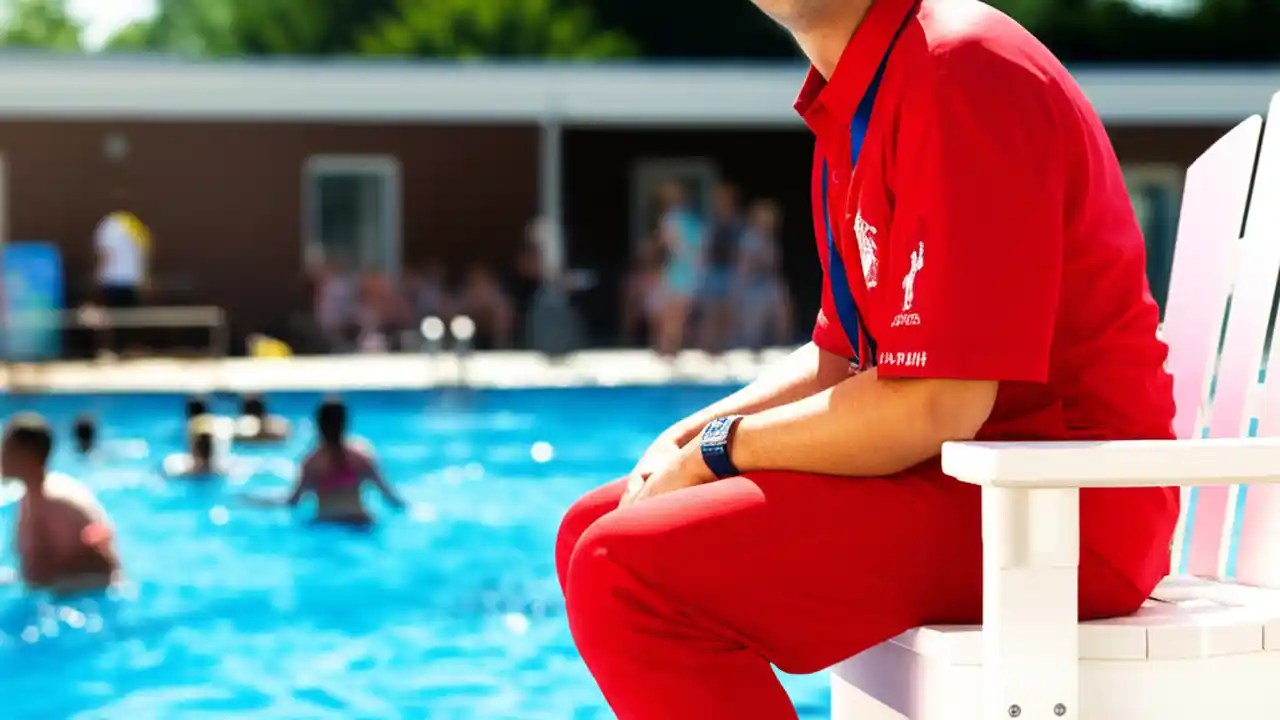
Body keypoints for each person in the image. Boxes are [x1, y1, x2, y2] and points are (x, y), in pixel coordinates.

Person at [555, 0, 1179, 716]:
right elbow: (841, 358)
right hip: (975, 480)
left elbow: (936, 402)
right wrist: (689, 436)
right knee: (591, 527)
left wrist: (718, 452)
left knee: (625, 570)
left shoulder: (960, 72)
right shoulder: (861, 90)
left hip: (1063, 507)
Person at [2, 414, 122, 594]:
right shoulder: (32, 496)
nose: (1, 457)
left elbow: (110, 575)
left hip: (80, 603)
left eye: (7, 449)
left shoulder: (59, 502)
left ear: (27, 454)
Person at [243, 399, 404, 526]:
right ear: (345, 423)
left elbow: (293, 502)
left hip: (326, 523)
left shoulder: (312, 462)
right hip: (359, 522)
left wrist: (259, 501)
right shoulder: (363, 455)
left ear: (318, 425)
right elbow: (391, 498)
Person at [653, 182, 704, 356]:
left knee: (676, 315)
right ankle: (668, 349)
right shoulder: (677, 219)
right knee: (674, 314)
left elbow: (670, 243)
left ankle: (670, 349)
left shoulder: (682, 220)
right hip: (681, 270)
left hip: (684, 270)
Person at [736, 199, 794, 349]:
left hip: (771, 282)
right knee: (753, 326)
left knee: (783, 314)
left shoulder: (770, 238)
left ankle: (783, 346)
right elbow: (744, 267)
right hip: (754, 286)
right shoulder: (750, 239)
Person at [696, 183, 746, 353]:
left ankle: (721, 348)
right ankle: (707, 349)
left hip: (731, 270)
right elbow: (704, 247)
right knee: (711, 311)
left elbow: (741, 249)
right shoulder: (711, 220)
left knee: (726, 312)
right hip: (713, 271)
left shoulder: (738, 221)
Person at [93, 190, 150, 310]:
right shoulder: (136, 225)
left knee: (114, 316)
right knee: (129, 316)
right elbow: (143, 253)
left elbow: (104, 253)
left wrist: (99, 276)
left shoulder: (108, 225)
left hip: (113, 280)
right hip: (132, 281)